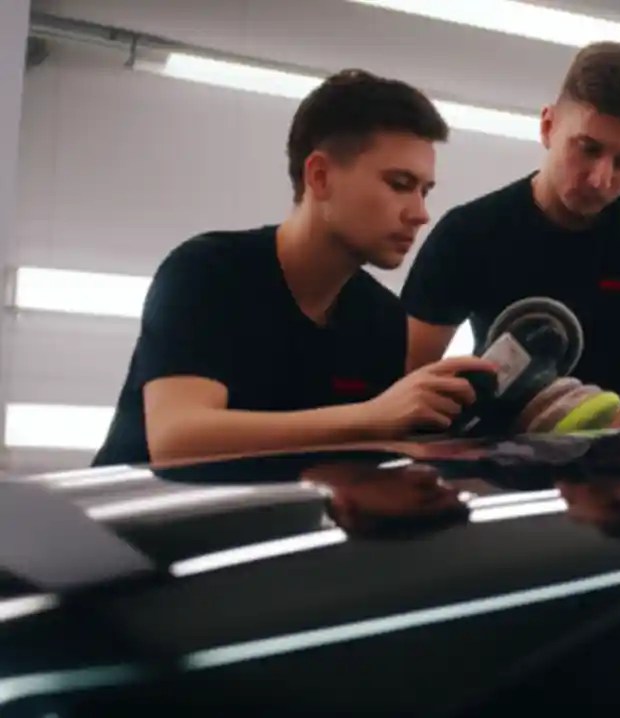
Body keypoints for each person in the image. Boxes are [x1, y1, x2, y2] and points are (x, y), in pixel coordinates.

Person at [93, 69, 495, 468]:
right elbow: (176, 440)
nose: (420, 214)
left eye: (425, 191)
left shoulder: (382, 318)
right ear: (320, 176)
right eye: (400, 184)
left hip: (277, 511)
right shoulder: (207, 272)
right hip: (130, 510)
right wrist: (372, 416)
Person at [400, 41, 620, 428]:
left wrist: (592, 436)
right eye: (588, 149)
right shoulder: (468, 232)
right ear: (548, 126)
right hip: (495, 456)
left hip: (615, 457)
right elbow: (406, 378)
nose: (600, 179)